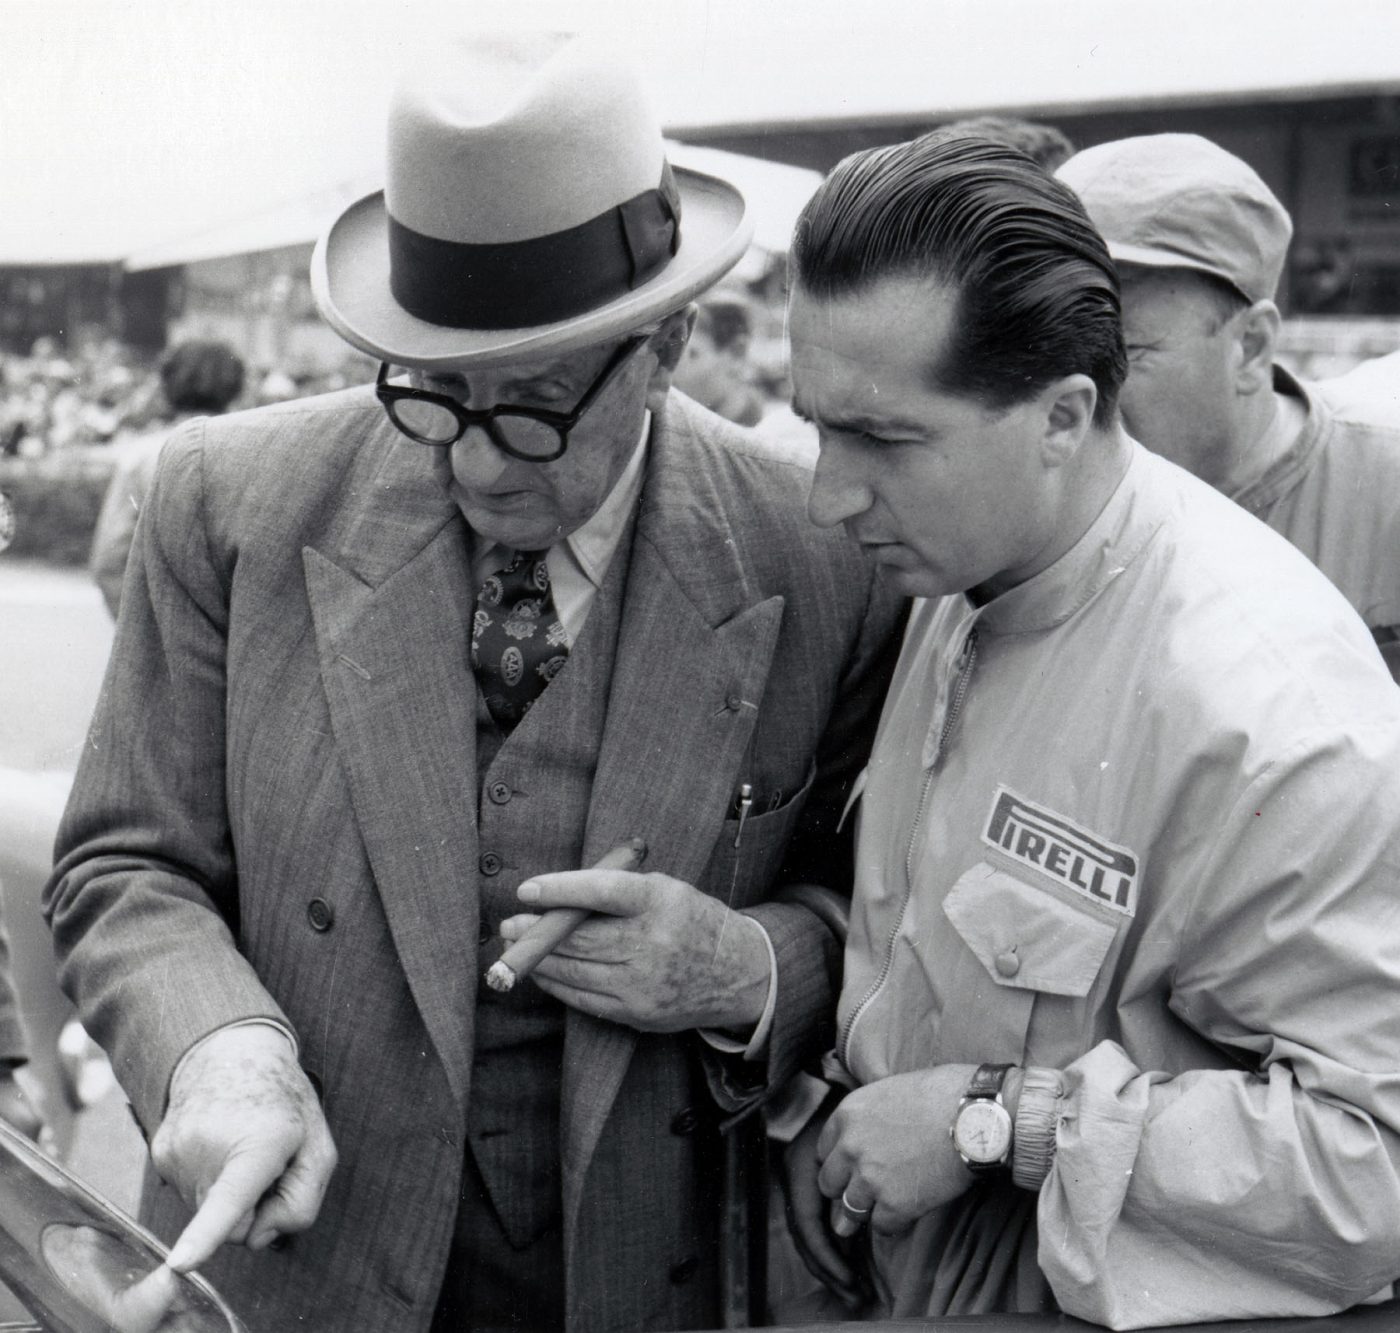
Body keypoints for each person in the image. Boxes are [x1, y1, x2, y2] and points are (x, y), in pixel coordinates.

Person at [45, 44, 901, 1333]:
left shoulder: (826, 554)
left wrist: (745, 965)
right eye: (436, 393)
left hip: (634, 1275)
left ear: (665, 346)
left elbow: (881, 913)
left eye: (538, 405)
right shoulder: (226, 503)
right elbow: (123, 861)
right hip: (298, 1273)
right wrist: (216, 1045)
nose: (480, 464)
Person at [779, 130, 1400, 1330]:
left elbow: (1371, 1161)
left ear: (1063, 415)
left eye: (884, 440)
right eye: (818, 427)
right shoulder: (962, 561)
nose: (826, 495)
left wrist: (997, 1120)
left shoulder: (1264, 715)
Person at [1056, 133, 1400, 680]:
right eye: (1052, 351)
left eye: (1125, 352)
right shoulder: (1044, 514)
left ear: (1251, 346)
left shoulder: (1384, 489)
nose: (1074, 395)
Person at [89, 338, 245, 617]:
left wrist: (141, 630)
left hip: (163, 622)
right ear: (235, 387)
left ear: (167, 384)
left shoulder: (142, 456)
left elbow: (110, 559)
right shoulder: (254, 453)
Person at [671, 290, 767, 426]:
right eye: (677, 353)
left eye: (693, 354)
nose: (674, 372)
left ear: (736, 353)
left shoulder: (767, 434)